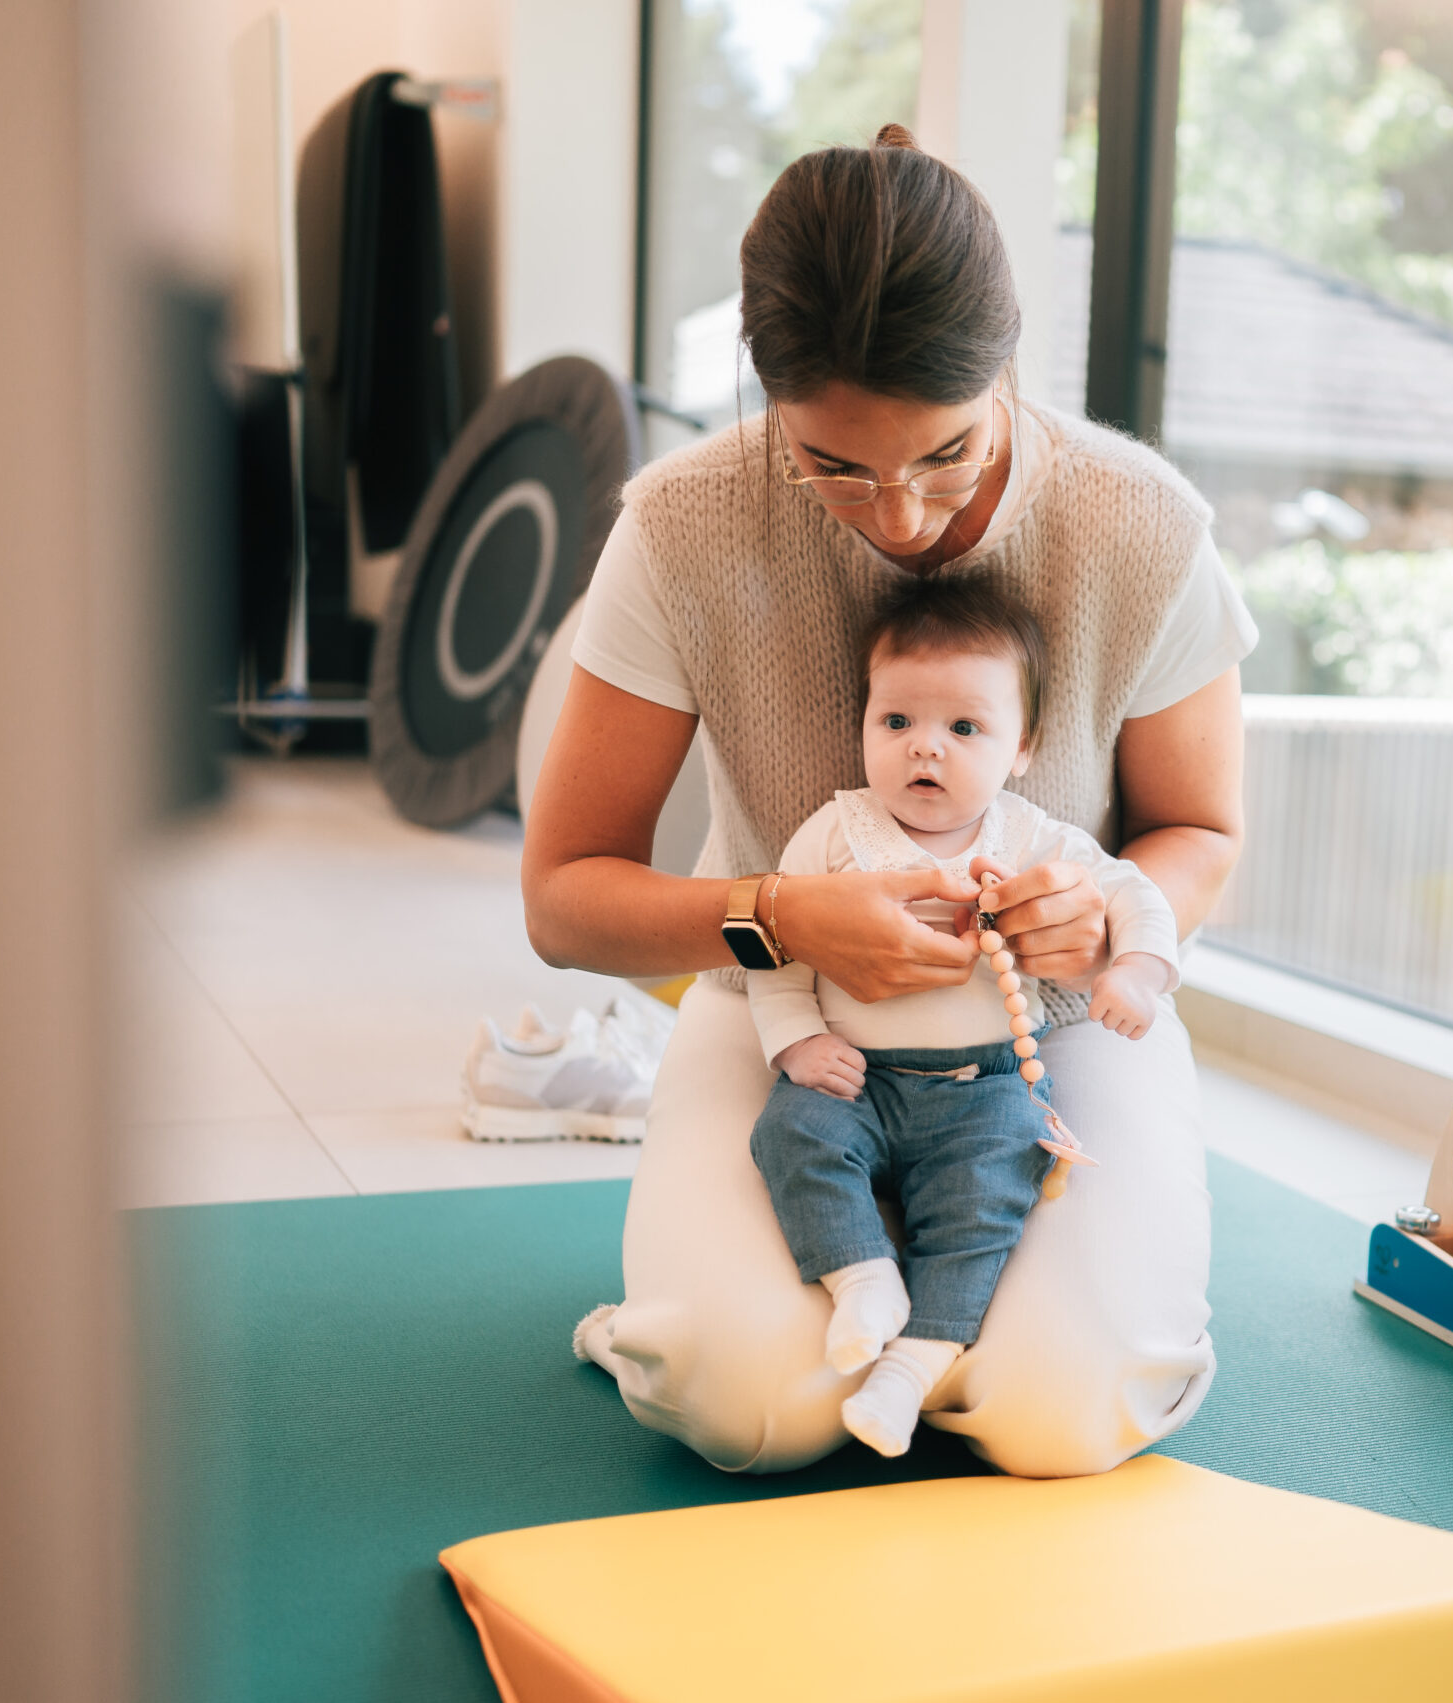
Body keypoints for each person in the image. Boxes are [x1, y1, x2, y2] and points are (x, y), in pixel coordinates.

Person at [523, 122, 1255, 1478]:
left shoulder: (1139, 525)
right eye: (836, 464)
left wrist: (1101, 928)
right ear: (769, 396)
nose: (901, 516)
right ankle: (740, 1294)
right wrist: (781, 919)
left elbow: (1199, 830)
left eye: (946, 453)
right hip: (789, 1018)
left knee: (1066, 1411)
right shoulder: (682, 526)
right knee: (745, 1403)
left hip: (1050, 1020)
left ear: (1008, 362)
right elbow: (564, 898)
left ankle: (983, 1290)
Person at [748, 572, 1178, 1459]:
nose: (924, 751)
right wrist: (798, 1041)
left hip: (986, 1085)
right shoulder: (834, 835)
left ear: (1023, 746)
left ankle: (908, 1372)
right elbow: (772, 946)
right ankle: (862, 1276)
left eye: (964, 728)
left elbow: (1135, 891)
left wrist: (1135, 968)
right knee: (792, 1135)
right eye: (896, 722)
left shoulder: (1028, 838)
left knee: (987, 1203)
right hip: (857, 1076)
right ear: (864, 722)